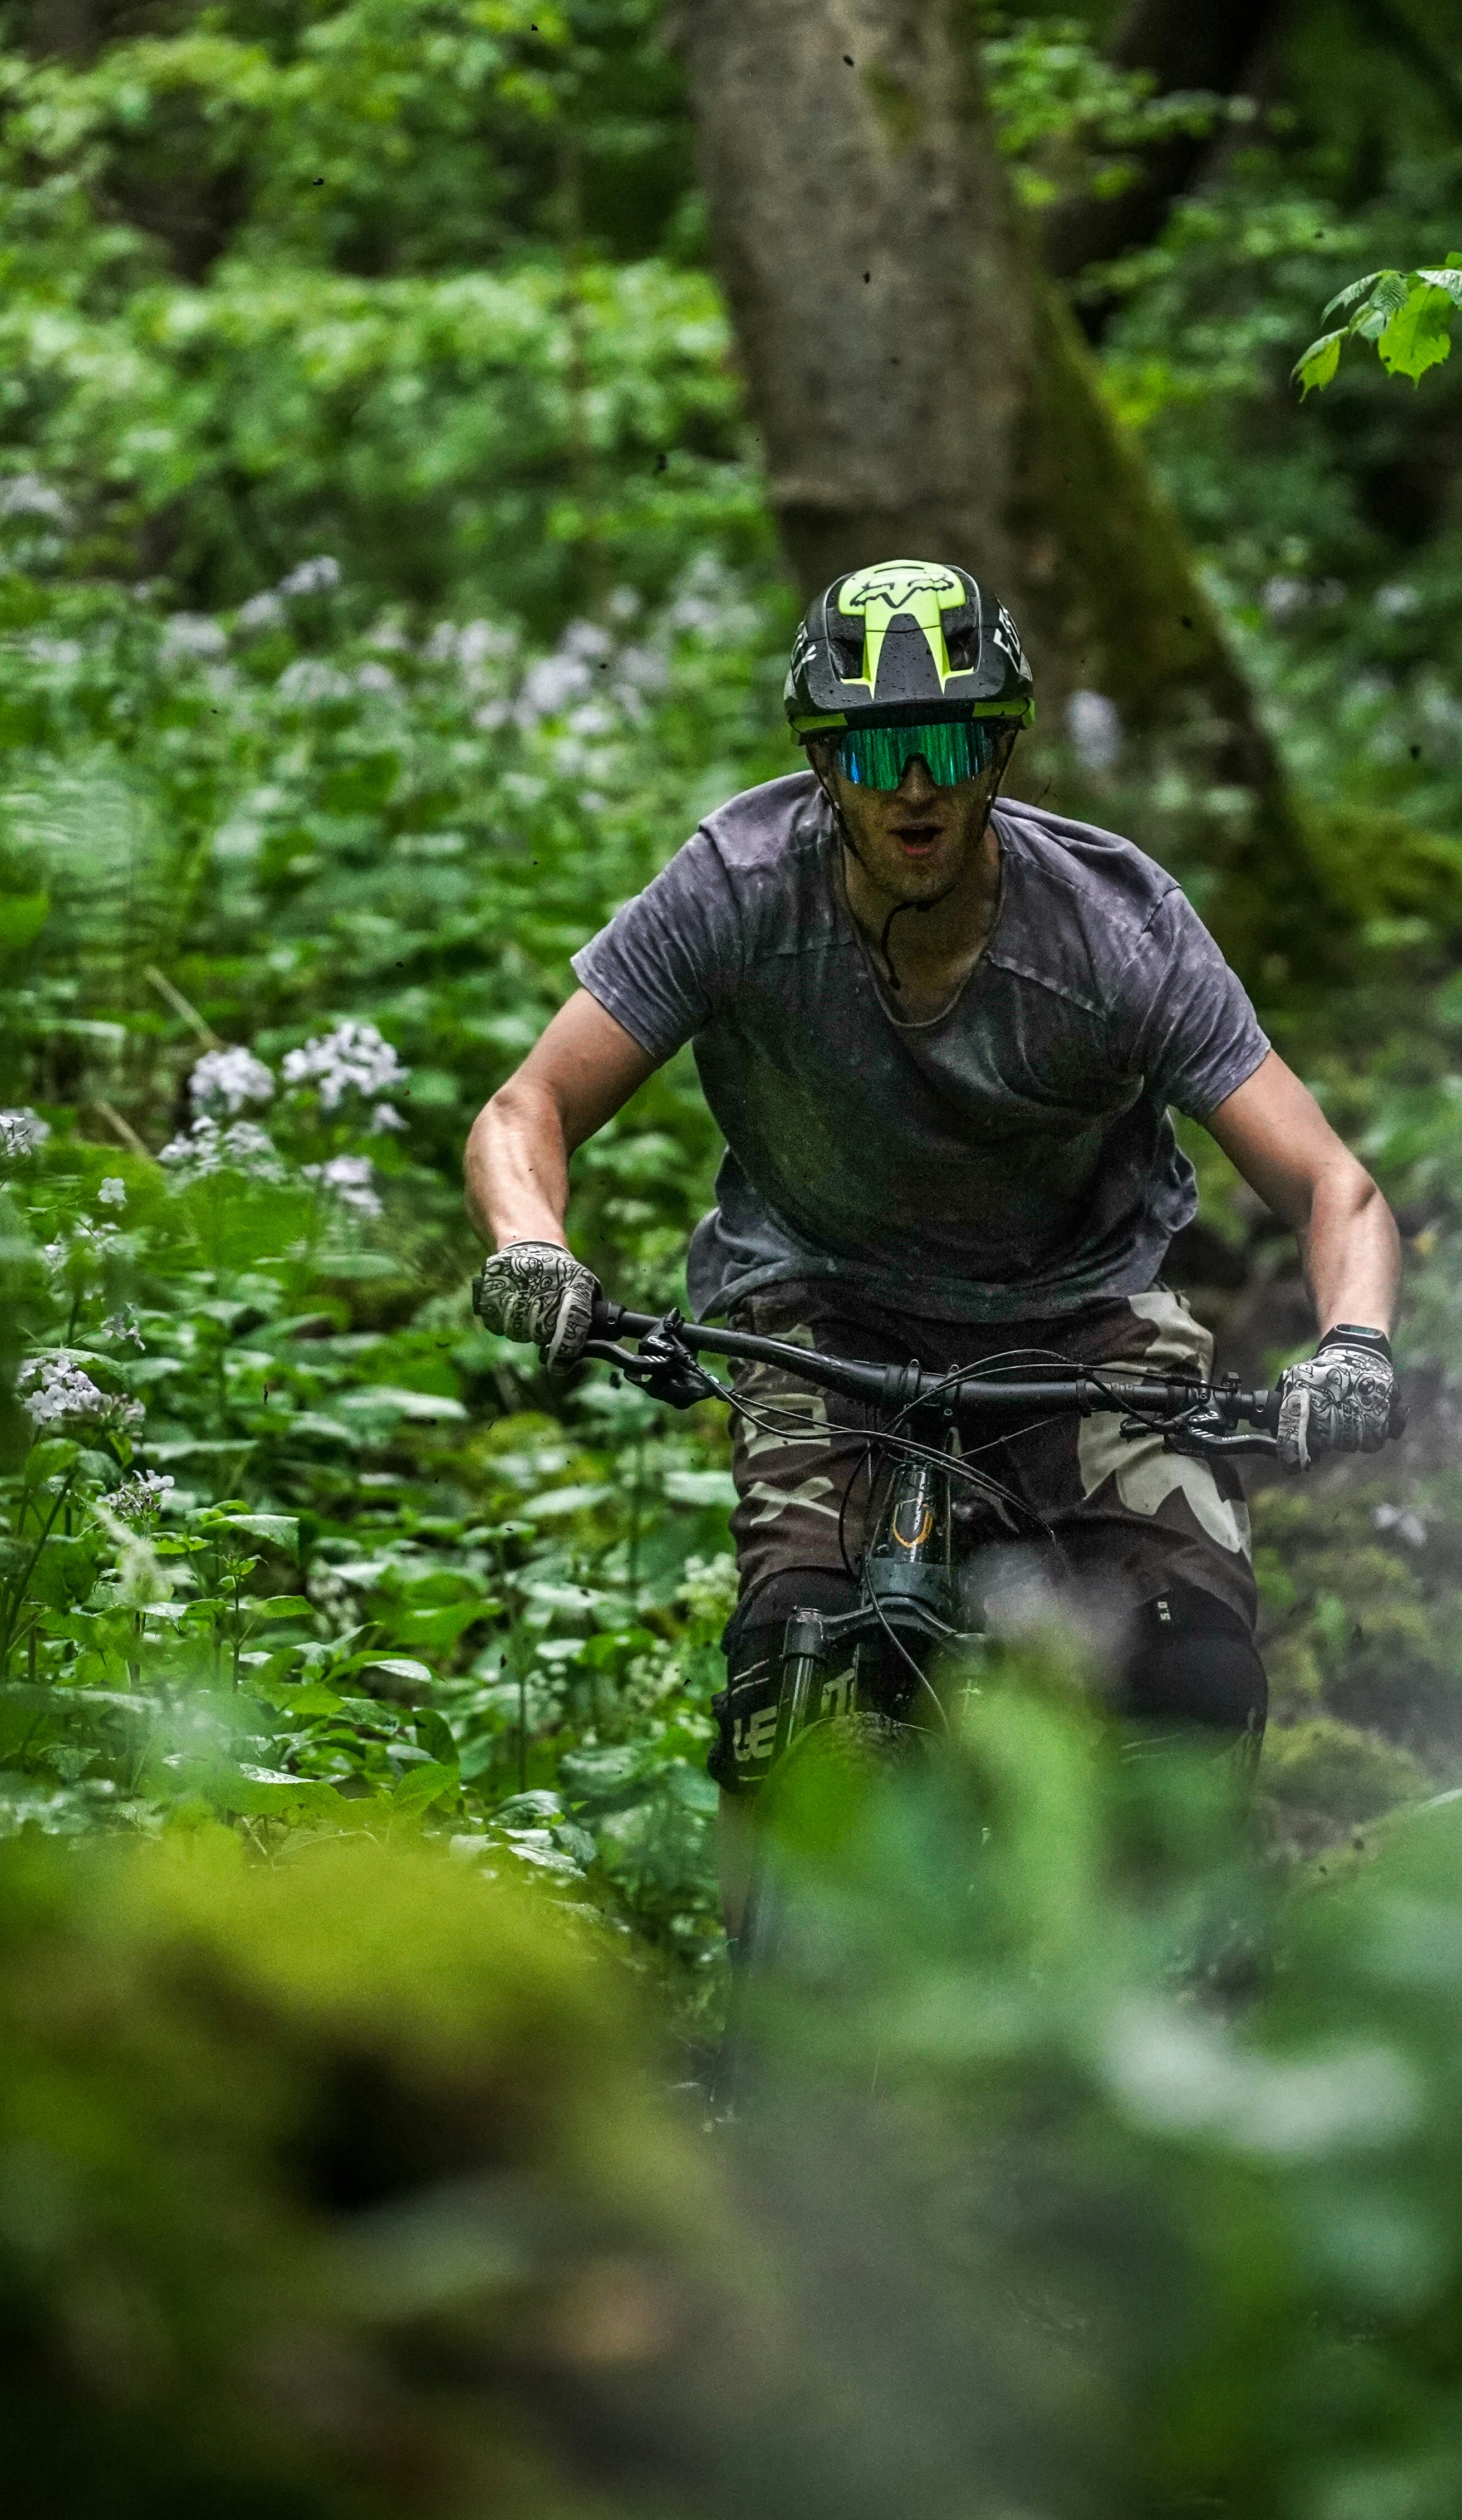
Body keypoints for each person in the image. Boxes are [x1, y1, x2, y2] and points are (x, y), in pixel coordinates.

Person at [465, 556, 1401, 1834]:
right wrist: (534, 1250)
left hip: (1083, 1322)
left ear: (999, 750)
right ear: (823, 759)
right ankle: (761, 2024)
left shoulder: (1113, 933)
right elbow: (529, 1112)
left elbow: (1327, 1181)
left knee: (1191, 1673)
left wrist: (1351, 1345)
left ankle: (1190, 1974)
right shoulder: (739, 889)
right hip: (817, 1306)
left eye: (949, 741)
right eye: (878, 745)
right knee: (784, 1677)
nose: (915, 782)